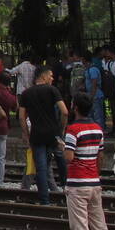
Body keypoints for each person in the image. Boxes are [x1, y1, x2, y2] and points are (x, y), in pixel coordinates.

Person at [63, 93, 112, 230]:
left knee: (80, 226)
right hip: (94, 181)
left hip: (77, 183)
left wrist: (62, 147)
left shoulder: (73, 130)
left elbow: (69, 157)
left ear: (75, 108)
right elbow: (100, 156)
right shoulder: (97, 129)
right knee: (99, 224)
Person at [18, 66, 68, 205]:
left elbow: (22, 117)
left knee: (41, 168)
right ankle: (66, 189)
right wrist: (61, 130)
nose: (52, 78)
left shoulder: (26, 93)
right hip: (53, 134)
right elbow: (64, 112)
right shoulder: (52, 90)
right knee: (61, 160)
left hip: (37, 134)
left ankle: (44, 200)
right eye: (51, 75)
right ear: (43, 76)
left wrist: (26, 134)